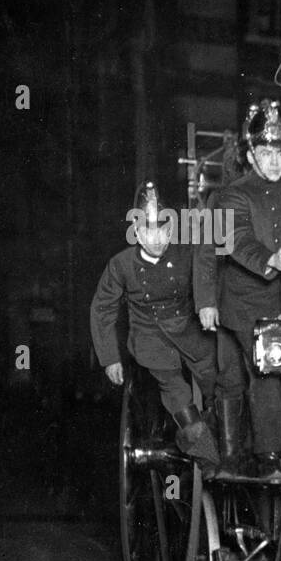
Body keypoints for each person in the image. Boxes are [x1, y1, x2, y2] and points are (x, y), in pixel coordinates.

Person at [212, 99, 281, 477]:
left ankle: (271, 445)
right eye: (265, 152)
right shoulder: (234, 194)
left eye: (280, 152)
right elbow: (236, 239)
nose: (274, 161)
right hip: (242, 302)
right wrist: (270, 259)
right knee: (268, 370)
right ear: (251, 155)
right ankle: (267, 462)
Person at [90, 181, 219, 467]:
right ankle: (204, 451)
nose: (157, 238)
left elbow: (209, 277)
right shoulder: (121, 265)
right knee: (176, 390)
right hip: (149, 336)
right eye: (148, 231)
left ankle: (221, 430)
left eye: (162, 230)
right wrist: (110, 359)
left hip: (189, 327)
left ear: (171, 230)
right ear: (136, 232)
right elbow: (103, 309)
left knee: (216, 376)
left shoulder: (185, 255)